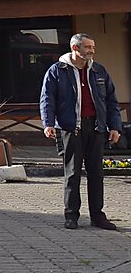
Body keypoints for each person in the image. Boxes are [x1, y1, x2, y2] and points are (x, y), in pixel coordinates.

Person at [40, 33, 122, 230]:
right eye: (88, 47)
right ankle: (71, 216)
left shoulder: (99, 70)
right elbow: (47, 98)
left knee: (97, 174)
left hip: (96, 127)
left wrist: (115, 127)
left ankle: (98, 216)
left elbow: (111, 101)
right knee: (72, 173)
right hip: (71, 128)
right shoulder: (57, 71)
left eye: (93, 47)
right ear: (75, 48)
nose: (92, 50)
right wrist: (48, 123)